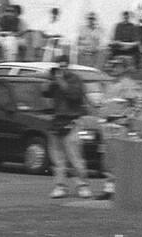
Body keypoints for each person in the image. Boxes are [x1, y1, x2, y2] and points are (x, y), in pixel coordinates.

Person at [42, 55, 91, 199]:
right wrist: (47, 79)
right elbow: (45, 92)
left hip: (72, 120)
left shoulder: (75, 79)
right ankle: (60, 186)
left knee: (75, 157)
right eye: (59, 66)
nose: (61, 69)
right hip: (57, 120)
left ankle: (83, 185)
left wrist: (61, 80)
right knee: (58, 158)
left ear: (68, 66)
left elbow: (74, 96)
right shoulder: (55, 80)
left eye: (64, 66)